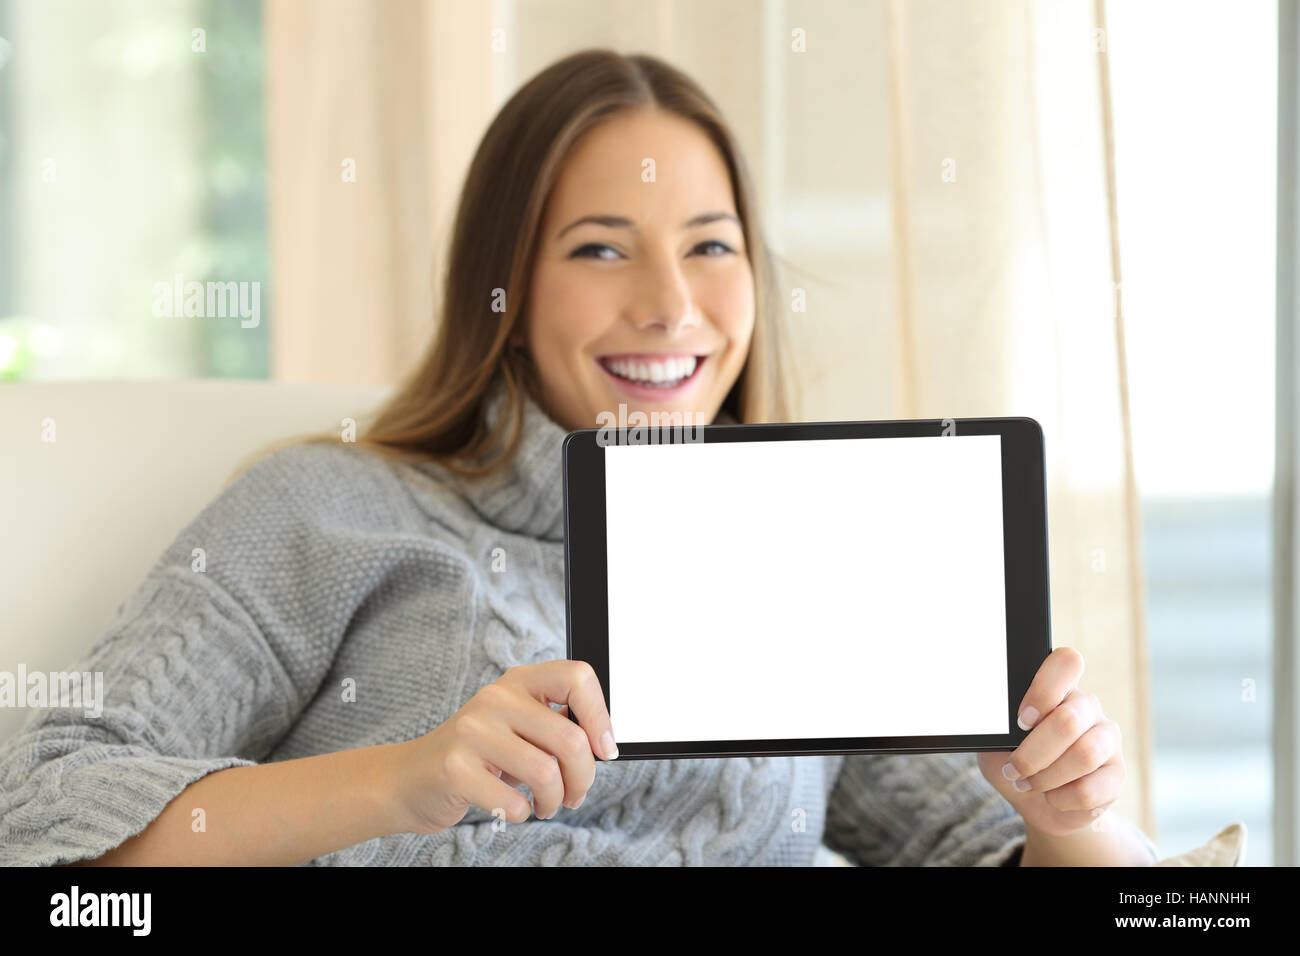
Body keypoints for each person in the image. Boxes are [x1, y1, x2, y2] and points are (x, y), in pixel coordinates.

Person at [0, 49, 1159, 867]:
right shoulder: (327, 505)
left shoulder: (805, 550)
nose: (670, 306)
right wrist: (406, 779)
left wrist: (1069, 811)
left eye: (710, 246)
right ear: (502, 289)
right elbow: (44, 815)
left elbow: (987, 853)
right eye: (602, 248)